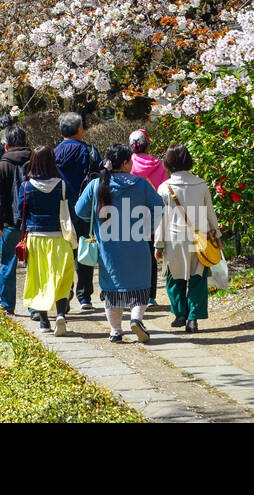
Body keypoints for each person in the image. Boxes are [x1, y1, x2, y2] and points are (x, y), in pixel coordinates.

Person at [75, 143, 164, 344]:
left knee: (111, 288)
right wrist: (147, 227)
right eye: (130, 161)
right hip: (138, 244)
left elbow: (80, 211)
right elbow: (159, 206)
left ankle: (115, 331)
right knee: (140, 286)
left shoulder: (97, 184)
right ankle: (135, 319)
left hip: (108, 248)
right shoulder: (141, 184)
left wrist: (96, 220)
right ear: (125, 163)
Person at [155, 144, 220, 333]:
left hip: (174, 239)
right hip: (200, 237)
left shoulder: (164, 187)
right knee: (198, 278)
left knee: (174, 278)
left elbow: (161, 219)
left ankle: (180, 313)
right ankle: (193, 318)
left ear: (168, 162)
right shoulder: (201, 184)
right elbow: (210, 213)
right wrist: (216, 235)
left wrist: (158, 245)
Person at [19, 146, 78, 334]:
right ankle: (61, 314)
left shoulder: (26, 187)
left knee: (39, 278)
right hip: (60, 237)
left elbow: (20, 212)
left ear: (33, 162)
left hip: (36, 239)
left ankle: (44, 322)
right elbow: (72, 211)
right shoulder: (62, 185)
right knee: (62, 277)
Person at [53, 112, 100, 311]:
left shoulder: (53, 153)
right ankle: (85, 296)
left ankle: (66, 290)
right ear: (80, 129)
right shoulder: (90, 151)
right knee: (85, 250)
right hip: (85, 209)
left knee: (64, 253)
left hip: (61, 209)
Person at [0, 123, 31, 317]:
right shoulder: (34, 161)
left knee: (8, 264)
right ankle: (35, 307)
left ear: (6, 145)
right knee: (34, 266)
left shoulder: (2, 165)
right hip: (32, 223)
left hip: (8, 223)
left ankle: (7, 305)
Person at [129, 128, 168, 306]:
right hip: (154, 215)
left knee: (133, 254)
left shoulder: (128, 163)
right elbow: (164, 186)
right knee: (152, 255)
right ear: (147, 146)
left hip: (132, 215)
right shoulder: (158, 164)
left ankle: (135, 294)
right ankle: (151, 295)